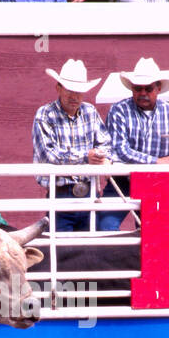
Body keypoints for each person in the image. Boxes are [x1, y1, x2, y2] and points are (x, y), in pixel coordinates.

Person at [105, 58, 169, 227]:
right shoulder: (118, 111)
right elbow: (121, 150)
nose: (143, 92)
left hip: (157, 182)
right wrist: (157, 162)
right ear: (132, 88)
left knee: (156, 231)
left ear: (158, 88)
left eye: (148, 88)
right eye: (138, 88)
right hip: (123, 180)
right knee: (105, 227)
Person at [31, 59, 113, 231]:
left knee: (91, 250)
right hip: (60, 194)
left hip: (89, 193)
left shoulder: (90, 112)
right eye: (70, 90)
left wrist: (99, 155)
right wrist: (87, 157)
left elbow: (106, 143)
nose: (75, 96)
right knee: (60, 251)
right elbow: (48, 155)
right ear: (58, 88)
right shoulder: (45, 114)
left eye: (79, 91)